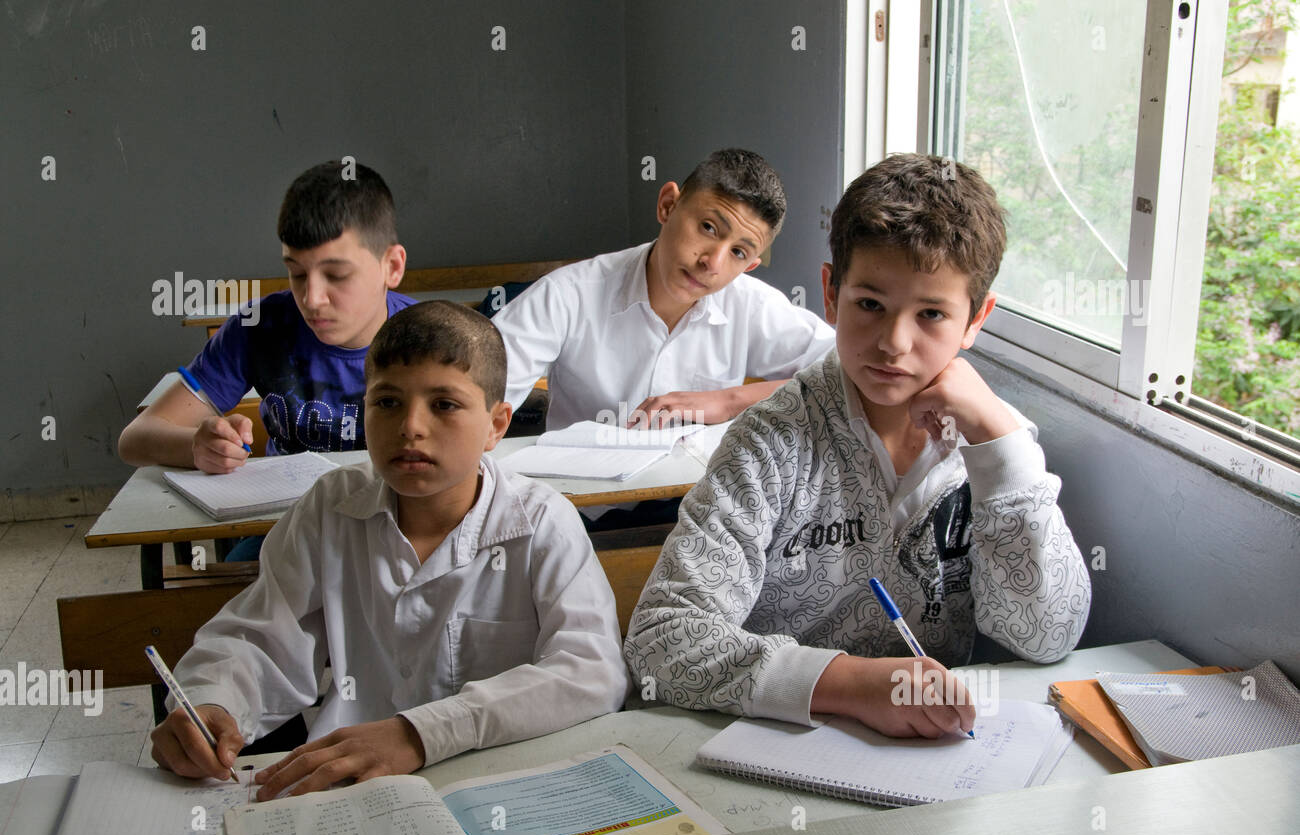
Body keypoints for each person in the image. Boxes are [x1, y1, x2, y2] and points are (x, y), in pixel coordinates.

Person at [624, 153, 1091, 738]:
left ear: (976, 319)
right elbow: (662, 640)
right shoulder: (771, 442)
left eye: (932, 314)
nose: (894, 343)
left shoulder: (997, 452)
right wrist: (855, 686)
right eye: (870, 304)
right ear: (830, 292)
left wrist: (1001, 444)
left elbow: (1047, 637)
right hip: (780, 751)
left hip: (938, 761)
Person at [150, 302, 629, 798]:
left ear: (496, 425)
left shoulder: (542, 521)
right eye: (387, 403)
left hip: (505, 785)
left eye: (444, 404)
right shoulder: (330, 508)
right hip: (350, 786)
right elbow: (263, 638)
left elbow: (590, 671)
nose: (411, 427)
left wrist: (420, 733)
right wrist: (215, 702)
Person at [493, 148, 835, 434]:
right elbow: (475, 389)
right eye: (708, 227)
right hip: (587, 506)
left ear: (749, 266)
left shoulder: (751, 304)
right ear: (668, 205)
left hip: (700, 503)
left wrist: (728, 400)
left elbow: (844, 371)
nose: (712, 262)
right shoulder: (567, 294)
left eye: (738, 252)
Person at [119, 160, 414, 473]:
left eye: (337, 274)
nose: (312, 299)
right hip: (286, 512)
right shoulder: (257, 326)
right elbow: (134, 440)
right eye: (296, 273)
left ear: (392, 267)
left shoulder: (430, 339)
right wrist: (196, 446)